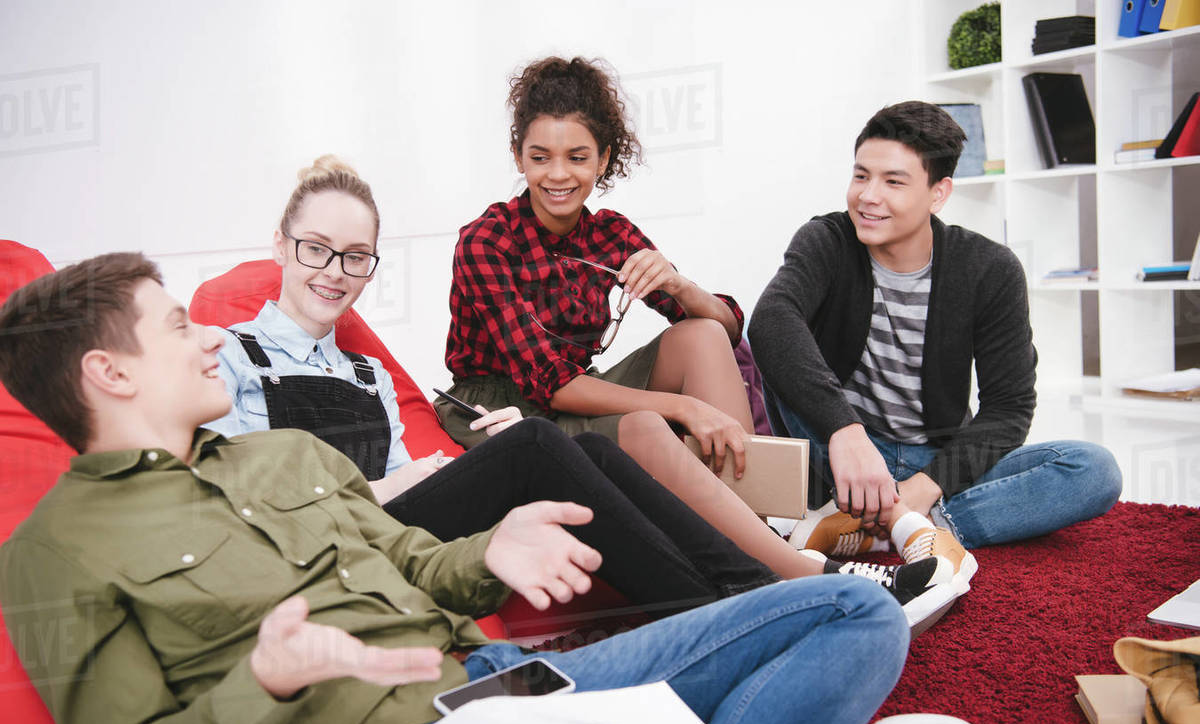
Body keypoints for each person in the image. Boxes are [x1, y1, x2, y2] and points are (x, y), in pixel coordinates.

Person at [0, 253, 990, 724]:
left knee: (854, 617)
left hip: (489, 684)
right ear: (108, 372)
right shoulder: (52, 553)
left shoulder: (285, 457)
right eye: (178, 325)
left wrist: (493, 548)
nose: (210, 334)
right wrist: (262, 679)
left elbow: (415, 561)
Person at [202, 156, 950, 622]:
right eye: (316, 250)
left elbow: (408, 480)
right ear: (280, 246)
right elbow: (241, 496)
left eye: (355, 257)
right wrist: (401, 481)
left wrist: (437, 468)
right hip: (335, 533)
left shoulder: (365, 371)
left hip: (401, 520)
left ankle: (765, 586)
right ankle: (779, 589)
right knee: (538, 439)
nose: (334, 272)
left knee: (585, 450)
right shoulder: (226, 354)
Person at [439, 56, 951, 592]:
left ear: (603, 158)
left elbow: (729, 328)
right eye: (540, 157)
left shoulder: (609, 233)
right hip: (503, 412)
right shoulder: (486, 240)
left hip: (575, 393)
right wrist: (684, 407)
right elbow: (553, 384)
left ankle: (760, 530)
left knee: (701, 335)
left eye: (578, 157)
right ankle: (803, 572)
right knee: (646, 424)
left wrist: (678, 285)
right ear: (519, 157)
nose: (558, 174)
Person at [749, 101, 1122, 584]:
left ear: (938, 193)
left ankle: (892, 526)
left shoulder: (989, 269)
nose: (868, 196)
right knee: (783, 348)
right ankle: (908, 525)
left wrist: (928, 486)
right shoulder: (827, 240)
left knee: (1092, 470)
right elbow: (771, 321)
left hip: (936, 459)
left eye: (894, 181)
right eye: (861, 176)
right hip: (840, 459)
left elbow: (1009, 407)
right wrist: (846, 431)